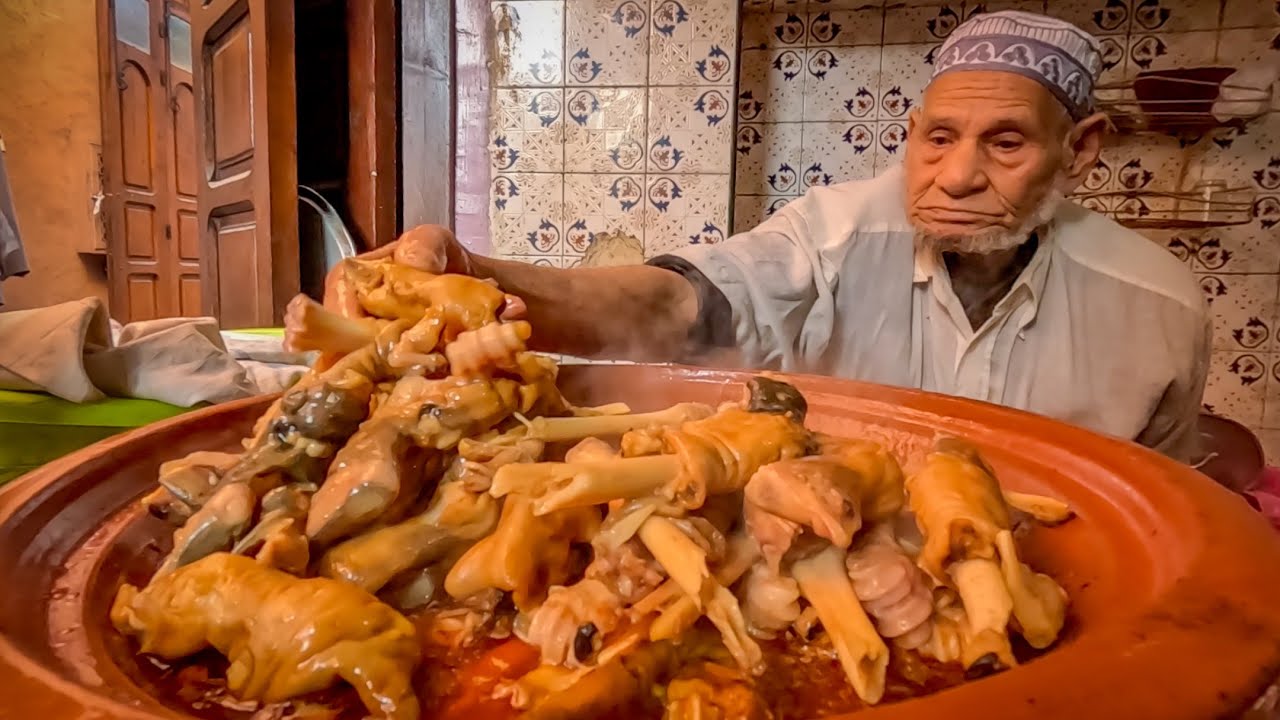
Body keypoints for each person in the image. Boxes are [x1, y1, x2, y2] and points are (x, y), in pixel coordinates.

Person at [306, 10, 1210, 463]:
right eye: (938, 138)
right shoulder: (838, 230)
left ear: (1080, 148)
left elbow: (1155, 505)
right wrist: (469, 269)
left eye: (1004, 143)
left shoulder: (1159, 308)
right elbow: (679, 304)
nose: (958, 176)